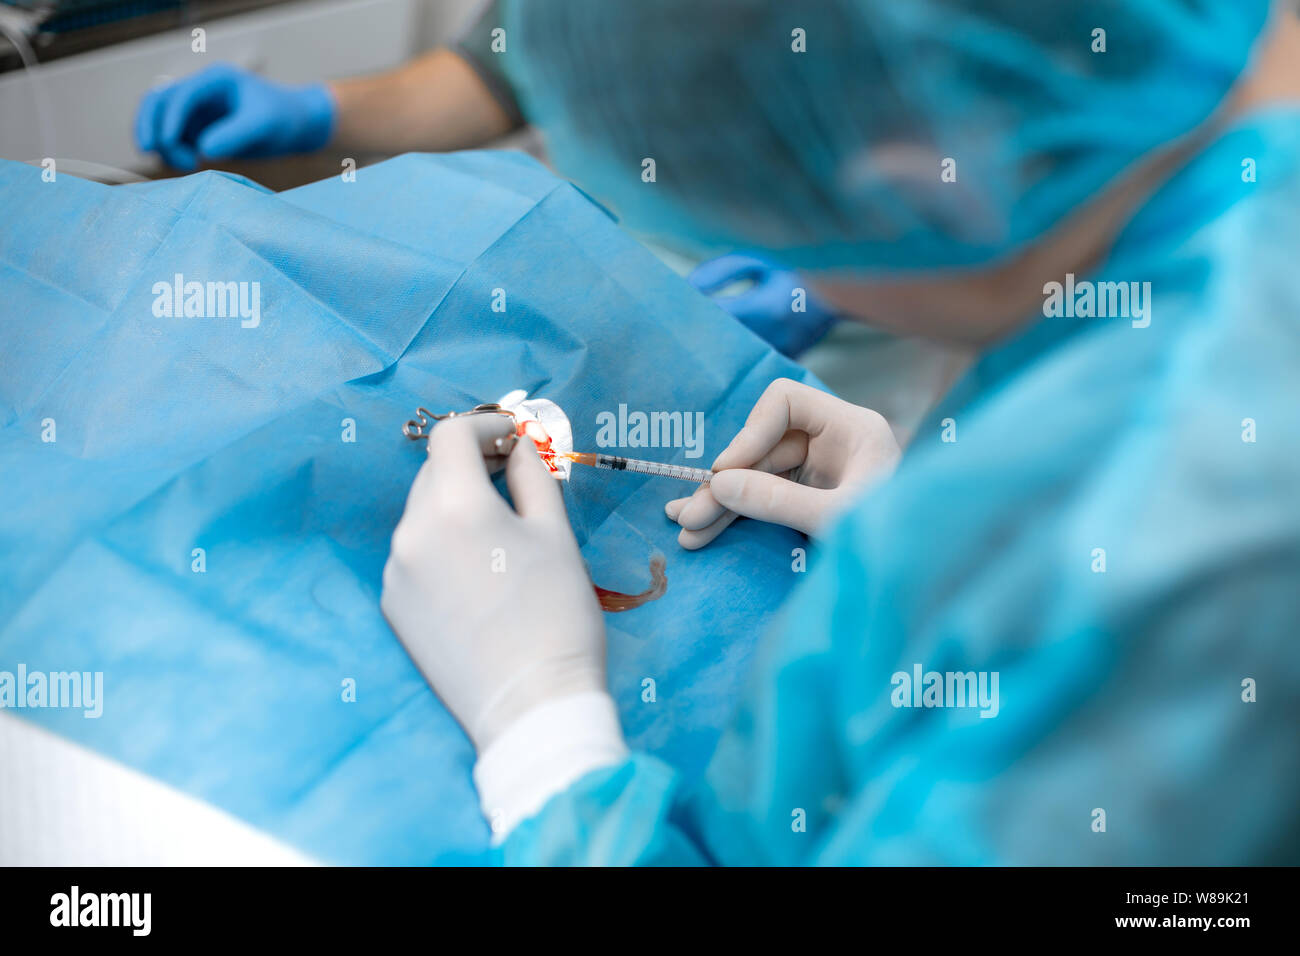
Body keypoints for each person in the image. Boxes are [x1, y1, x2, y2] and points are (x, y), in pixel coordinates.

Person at [383, 0, 1300, 864]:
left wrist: (541, 732)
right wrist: (927, 515)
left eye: (785, 238)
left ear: (922, 191)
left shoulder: (1165, 543)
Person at [131, 0, 836, 356]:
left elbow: (941, 160)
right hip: (611, 294)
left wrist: (830, 291)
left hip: (834, 327)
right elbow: (504, 67)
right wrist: (314, 111)